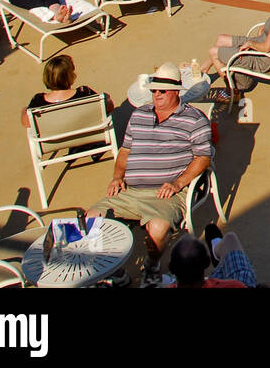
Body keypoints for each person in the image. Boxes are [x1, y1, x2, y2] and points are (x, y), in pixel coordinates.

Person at [83, 62, 212, 287]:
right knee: (92, 220)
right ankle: (116, 272)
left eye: (162, 90)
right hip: (130, 191)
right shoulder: (139, 114)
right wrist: (117, 176)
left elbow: (203, 157)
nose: (157, 95)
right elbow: (124, 151)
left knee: (158, 229)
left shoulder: (195, 119)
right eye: (154, 90)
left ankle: (151, 266)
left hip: (166, 194)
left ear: (175, 92)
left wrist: (177, 183)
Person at [20, 54, 114, 127]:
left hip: (55, 140)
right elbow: (108, 107)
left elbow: (26, 123)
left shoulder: (38, 101)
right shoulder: (84, 92)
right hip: (86, 137)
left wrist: (24, 111)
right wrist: (107, 98)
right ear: (70, 75)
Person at [168, 229, 256, 288]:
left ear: (171, 268)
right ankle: (217, 252)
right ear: (207, 262)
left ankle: (221, 262)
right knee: (230, 239)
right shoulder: (235, 285)